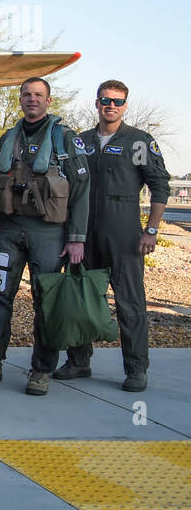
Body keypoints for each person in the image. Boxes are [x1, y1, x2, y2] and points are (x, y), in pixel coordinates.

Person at [0, 77, 89, 396]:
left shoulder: (65, 139)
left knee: (46, 303)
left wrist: (76, 237)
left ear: (49, 101)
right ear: (20, 99)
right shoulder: (9, 138)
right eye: (26, 94)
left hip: (48, 234)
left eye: (38, 95)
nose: (32, 99)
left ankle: (41, 369)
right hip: (8, 232)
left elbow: (81, 191)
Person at [59, 80, 168, 392]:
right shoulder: (80, 142)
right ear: (96, 103)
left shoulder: (138, 142)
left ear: (125, 106)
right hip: (83, 233)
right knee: (81, 298)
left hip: (123, 233)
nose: (111, 106)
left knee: (130, 303)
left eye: (118, 102)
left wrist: (151, 230)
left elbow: (159, 185)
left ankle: (136, 369)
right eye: (106, 100)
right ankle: (79, 361)